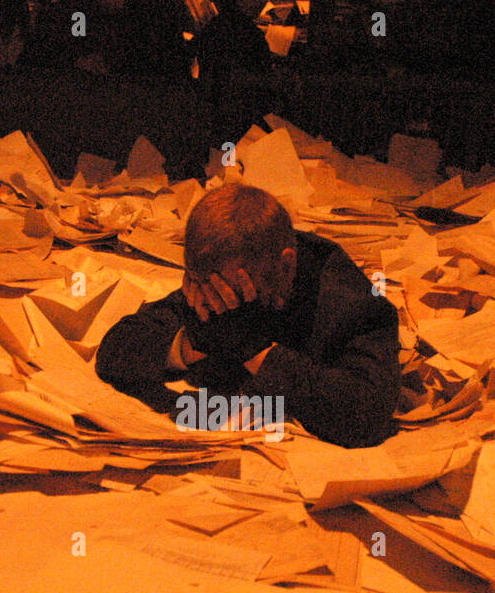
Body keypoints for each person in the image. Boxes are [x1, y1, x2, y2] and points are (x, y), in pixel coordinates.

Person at [95, 183, 401, 448]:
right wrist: (192, 344)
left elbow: (367, 414)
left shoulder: (350, 304)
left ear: (285, 266)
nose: (216, 304)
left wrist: (255, 350)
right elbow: (114, 352)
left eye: (230, 291)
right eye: (203, 287)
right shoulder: (214, 285)